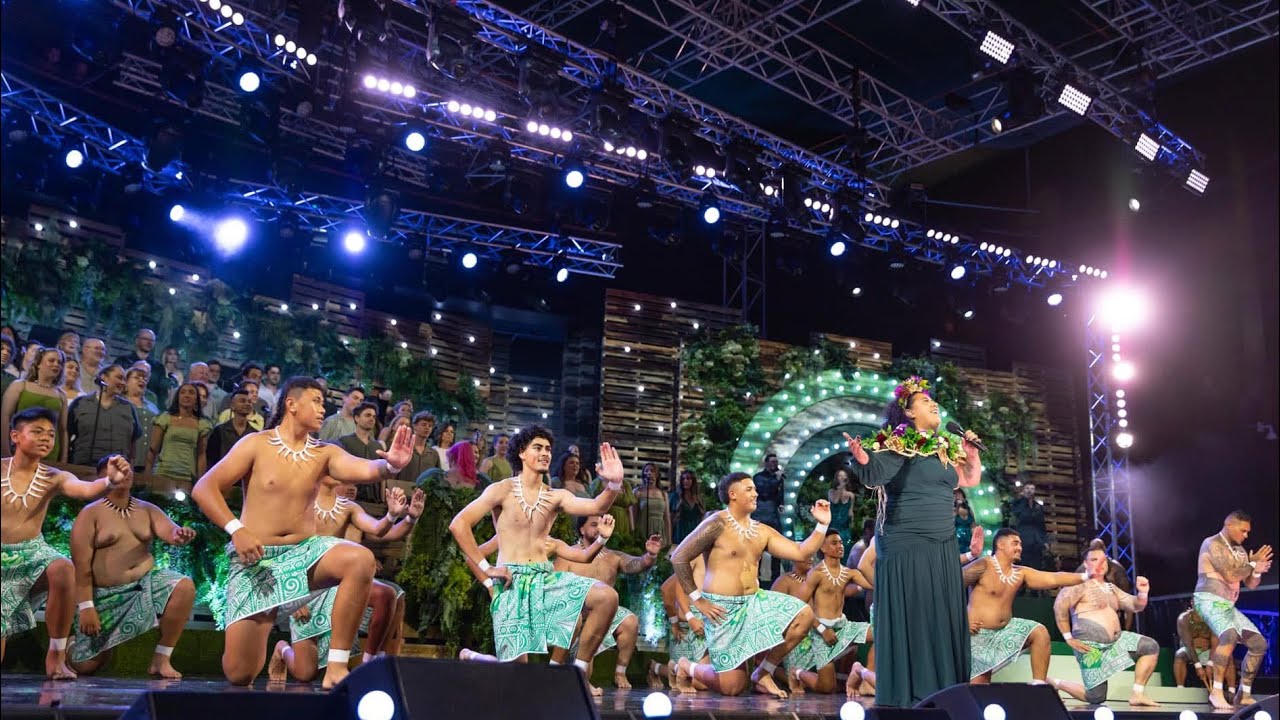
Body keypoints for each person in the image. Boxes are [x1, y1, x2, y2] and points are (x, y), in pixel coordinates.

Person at [192, 376, 413, 687]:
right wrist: (236, 530)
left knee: (360, 559)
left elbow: (363, 469)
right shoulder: (255, 444)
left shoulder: (325, 453)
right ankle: (278, 648)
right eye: (316, 401)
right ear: (291, 404)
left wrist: (390, 467)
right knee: (240, 672)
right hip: (257, 561)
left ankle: (336, 667)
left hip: (303, 555)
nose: (323, 409)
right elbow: (204, 489)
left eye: (324, 403)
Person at [842, 375, 983, 706]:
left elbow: (968, 480)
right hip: (907, 540)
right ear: (907, 413)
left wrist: (971, 453)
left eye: (932, 400)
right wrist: (862, 457)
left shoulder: (944, 447)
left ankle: (944, 692)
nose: (932, 403)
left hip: (942, 542)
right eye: (923, 401)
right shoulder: (899, 441)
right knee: (915, 613)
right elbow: (874, 471)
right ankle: (908, 693)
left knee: (941, 616)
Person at [447, 426, 625, 686]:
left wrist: (614, 483)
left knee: (607, 596)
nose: (545, 453)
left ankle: (576, 672)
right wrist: (487, 570)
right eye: (538, 448)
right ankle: (474, 656)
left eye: (549, 449)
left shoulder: (556, 496)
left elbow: (597, 506)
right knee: (518, 677)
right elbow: (459, 524)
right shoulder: (502, 490)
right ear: (521, 453)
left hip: (545, 580)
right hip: (511, 584)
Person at [669, 473, 829, 698]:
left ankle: (764, 672)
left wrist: (822, 525)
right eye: (749, 489)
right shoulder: (716, 523)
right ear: (732, 494)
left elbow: (800, 551)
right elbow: (679, 557)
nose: (755, 493)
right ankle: (687, 666)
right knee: (732, 687)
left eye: (755, 489)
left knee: (804, 615)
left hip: (754, 602)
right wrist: (698, 600)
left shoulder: (761, 531)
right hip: (722, 611)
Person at [1, 408, 130, 678]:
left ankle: (56, 654)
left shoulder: (55, 476)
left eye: (50, 434)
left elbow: (84, 489)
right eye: (37, 431)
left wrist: (109, 481)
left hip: (32, 552)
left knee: (62, 568)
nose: (46, 438)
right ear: (15, 435)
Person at [268, 482, 424, 682]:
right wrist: (295, 595)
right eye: (345, 482)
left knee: (388, 594)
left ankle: (370, 668)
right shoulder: (301, 505)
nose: (352, 488)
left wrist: (408, 517)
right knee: (305, 673)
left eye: (354, 484)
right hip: (307, 589)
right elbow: (284, 551)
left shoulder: (350, 509)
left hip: (341, 587)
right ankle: (282, 649)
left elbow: (383, 531)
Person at [68, 456, 197, 677]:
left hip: (143, 587)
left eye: (127, 468)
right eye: (117, 469)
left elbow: (171, 531)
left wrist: (180, 535)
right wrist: (86, 606)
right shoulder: (90, 514)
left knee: (183, 586)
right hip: (104, 596)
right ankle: (70, 646)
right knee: (86, 666)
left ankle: (161, 659)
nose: (124, 473)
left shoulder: (147, 509)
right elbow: (80, 567)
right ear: (102, 477)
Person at [456, 515, 617, 683]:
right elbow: (471, 558)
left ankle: (559, 671)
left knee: (575, 616)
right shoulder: (507, 535)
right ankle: (472, 656)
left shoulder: (551, 542)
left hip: (538, 596)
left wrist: (602, 538)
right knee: (515, 674)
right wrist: (490, 585)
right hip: (511, 600)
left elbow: (585, 557)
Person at [963, 528, 1086, 686]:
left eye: (1020, 544)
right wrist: (963, 622)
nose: (1020, 547)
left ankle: (1039, 686)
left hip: (1004, 633)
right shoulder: (983, 565)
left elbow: (1054, 578)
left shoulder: (1020, 573)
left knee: (1039, 632)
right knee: (979, 687)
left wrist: (1086, 576)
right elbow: (951, 587)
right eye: (1015, 543)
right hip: (978, 636)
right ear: (1000, 544)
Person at [551, 516, 662, 689]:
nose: (598, 528)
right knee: (583, 676)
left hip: (604, 616)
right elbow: (556, 587)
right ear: (581, 529)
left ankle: (620, 672)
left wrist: (650, 555)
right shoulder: (569, 554)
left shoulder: (613, 556)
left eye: (601, 524)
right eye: (593, 525)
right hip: (574, 615)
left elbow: (637, 564)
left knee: (629, 620)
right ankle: (568, 673)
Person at [1049, 544, 1159, 707]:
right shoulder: (1078, 584)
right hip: (1090, 647)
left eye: (1103, 560)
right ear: (1086, 564)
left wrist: (1142, 593)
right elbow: (1059, 606)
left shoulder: (1111, 588)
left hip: (1115, 643)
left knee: (1150, 646)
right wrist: (1068, 637)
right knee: (1095, 697)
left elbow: (1135, 605)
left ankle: (1137, 693)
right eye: (1094, 560)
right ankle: (1055, 683)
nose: (1100, 564)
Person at [1192, 510, 1272, 709]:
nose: (1246, 535)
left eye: (1248, 532)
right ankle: (1216, 693)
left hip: (1228, 606)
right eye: (1243, 531)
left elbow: (1250, 584)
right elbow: (1229, 575)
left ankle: (1243, 694)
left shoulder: (1241, 551)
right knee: (1228, 635)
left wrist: (1256, 570)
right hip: (1208, 599)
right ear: (1229, 525)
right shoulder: (1212, 544)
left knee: (1259, 644)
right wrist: (1252, 564)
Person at [783, 531, 874, 695]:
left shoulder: (849, 573)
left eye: (840, 542)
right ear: (823, 547)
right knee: (827, 688)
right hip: (821, 632)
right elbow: (799, 606)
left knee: (881, 633)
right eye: (834, 543)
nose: (840, 546)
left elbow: (875, 583)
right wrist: (822, 629)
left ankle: (864, 677)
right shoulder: (816, 574)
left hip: (844, 627)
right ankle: (796, 672)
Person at [1, 347, 69, 461]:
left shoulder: (61, 395)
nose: (56, 364)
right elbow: (5, 418)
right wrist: (5, 451)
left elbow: (62, 429)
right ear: (38, 364)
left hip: (49, 453)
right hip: (20, 448)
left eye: (60, 362)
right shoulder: (20, 386)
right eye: (51, 360)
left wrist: (63, 457)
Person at [68, 364, 141, 466]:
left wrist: (131, 468)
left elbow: (133, 443)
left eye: (125, 380)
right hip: (82, 466)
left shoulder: (128, 408)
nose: (123, 383)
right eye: (119, 378)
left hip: (116, 468)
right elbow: (67, 434)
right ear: (103, 377)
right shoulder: (80, 403)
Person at [657, 550, 710, 692]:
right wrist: (678, 621)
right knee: (698, 681)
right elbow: (667, 589)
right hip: (691, 623)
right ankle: (659, 668)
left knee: (698, 678)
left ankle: (669, 667)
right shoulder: (696, 556)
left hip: (705, 621)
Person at [147, 383, 212, 482]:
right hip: (163, 473)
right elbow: (153, 449)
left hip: (188, 477)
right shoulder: (165, 418)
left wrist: (200, 481)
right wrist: (147, 476)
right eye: (182, 392)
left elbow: (201, 455)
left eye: (191, 393)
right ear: (177, 397)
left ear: (196, 399)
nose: (186, 395)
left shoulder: (202, 424)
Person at [1175, 606, 1237, 693]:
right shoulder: (1184, 619)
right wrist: (1198, 666)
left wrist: (1210, 663)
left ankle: (1232, 691)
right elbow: (1188, 644)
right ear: (1192, 603)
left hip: (1208, 651)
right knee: (1179, 654)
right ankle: (1180, 688)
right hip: (1191, 650)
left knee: (1228, 656)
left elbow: (1215, 643)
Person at [337, 402, 385, 502]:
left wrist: (382, 498)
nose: (372, 419)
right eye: (368, 415)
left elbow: (382, 476)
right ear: (357, 418)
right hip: (350, 498)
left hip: (374, 501)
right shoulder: (344, 442)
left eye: (374, 416)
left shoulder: (378, 446)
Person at [751, 453, 786, 579]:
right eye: (772, 462)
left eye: (776, 462)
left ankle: (776, 578)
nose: (774, 464)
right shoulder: (758, 477)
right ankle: (756, 577)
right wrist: (776, 480)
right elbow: (764, 492)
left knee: (777, 545)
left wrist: (781, 503)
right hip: (761, 514)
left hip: (773, 514)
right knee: (758, 546)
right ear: (766, 463)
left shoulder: (779, 477)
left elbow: (780, 493)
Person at [123, 367, 160, 472]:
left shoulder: (152, 405)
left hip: (149, 460)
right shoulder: (120, 402)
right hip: (127, 457)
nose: (141, 380)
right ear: (126, 382)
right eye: (137, 377)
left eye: (144, 378)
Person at [206, 388, 254, 468]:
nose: (247, 404)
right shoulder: (219, 431)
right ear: (232, 405)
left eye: (249, 402)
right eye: (242, 401)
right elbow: (211, 459)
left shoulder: (254, 434)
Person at [1009, 483, 1048, 570]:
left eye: (1032, 489)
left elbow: (1042, 525)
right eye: (1027, 488)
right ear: (1023, 490)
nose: (1029, 491)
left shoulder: (1038, 506)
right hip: (1023, 537)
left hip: (1037, 540)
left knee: (1037, 564)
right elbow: (1018, 518)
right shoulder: (1017, 504)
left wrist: (1045, 540)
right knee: (1023, 563)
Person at [417, 441, 488, 489]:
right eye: (470, 452)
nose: (475, 455)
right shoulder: (434, 476)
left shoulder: (482, 481)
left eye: (476, 452)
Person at [395, 412, 439, 487]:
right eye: (424, 424)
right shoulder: (403, 448)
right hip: (402, 491)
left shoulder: (434, 454)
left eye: (430, 426)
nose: (427, 428)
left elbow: (437, 477)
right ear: (414, 426)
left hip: (424, 494)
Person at [636, 462, 672, 547]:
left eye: (652, 471)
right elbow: (633, 516)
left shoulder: (663, 494)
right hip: (643, 529)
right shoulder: (638, 492)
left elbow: (666, 517)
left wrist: (669, 538)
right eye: (646, 471)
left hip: (659, 530)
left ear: (657, 474)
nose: (649, 473)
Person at [670, 469, 705, 544]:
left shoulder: (699, 498)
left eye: (688, 478)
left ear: (693, 481)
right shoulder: (675, 496)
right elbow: (671, 518)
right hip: (680, 532)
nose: (685, 481)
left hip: (695, 532)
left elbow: (702, 517)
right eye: (683, 479)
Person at [829, 468, 856, 546]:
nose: (842, 477)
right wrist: (840, 487)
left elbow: (850, 512)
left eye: (844, 476)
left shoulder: (851, 495)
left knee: (845, 547)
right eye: (840, 476)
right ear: (836, 478)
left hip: (845, 527)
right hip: (833, 526)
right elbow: (835, 501)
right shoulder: (831, 492)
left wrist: (852, 523)